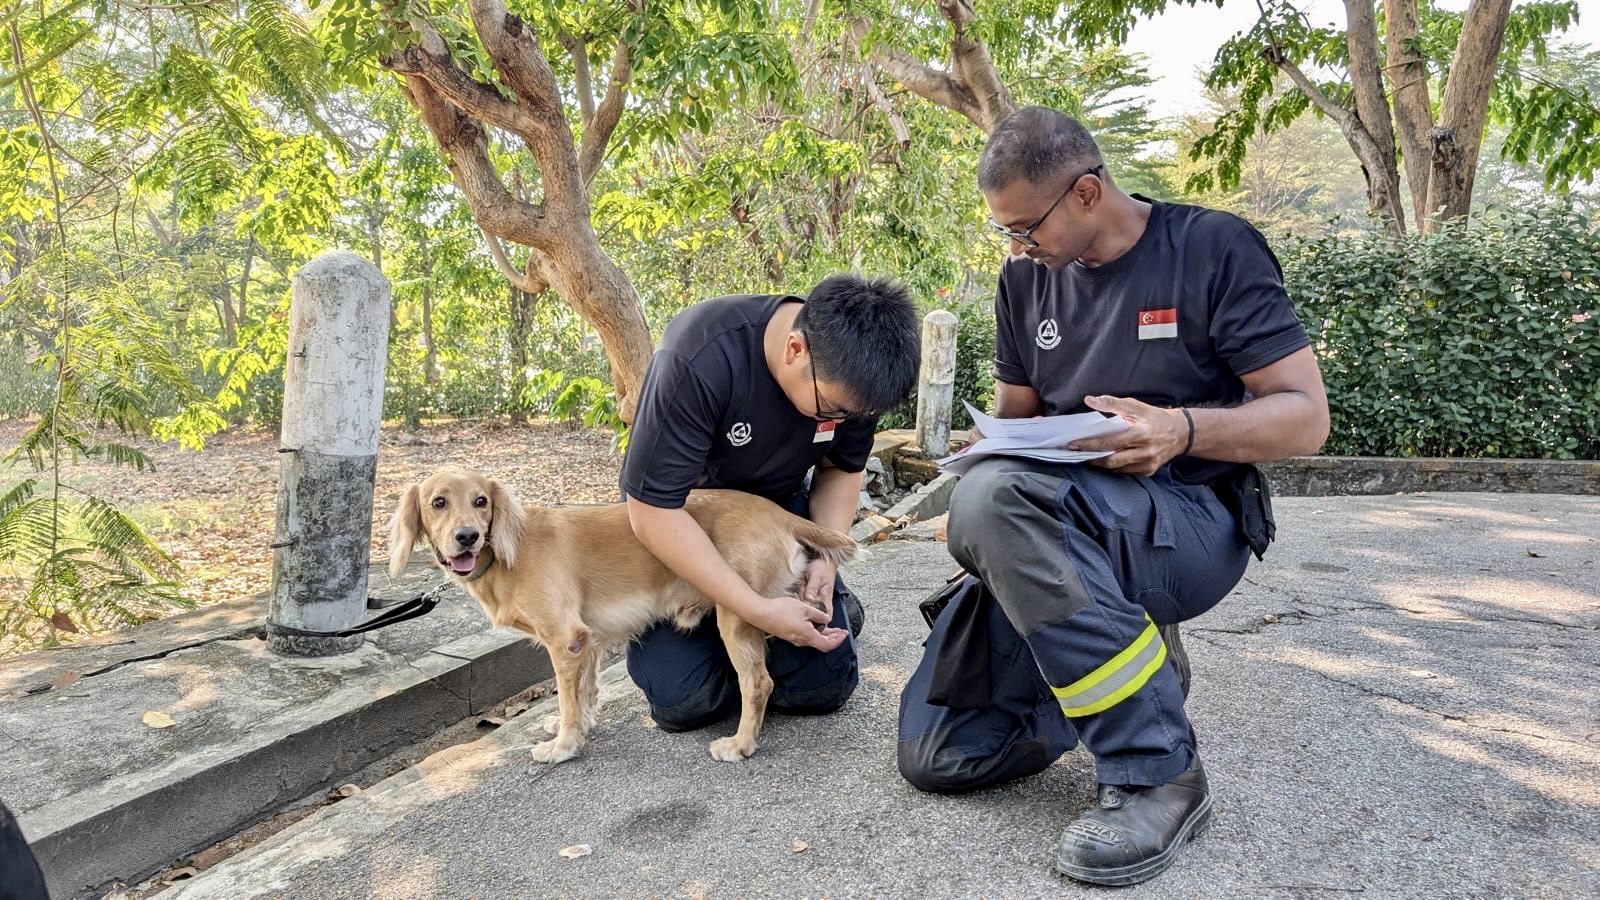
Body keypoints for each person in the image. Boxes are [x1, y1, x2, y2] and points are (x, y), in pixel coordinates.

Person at [897, 107, 1330, 885]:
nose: (1019, 247)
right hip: (1067, 518)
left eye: (1026, 226)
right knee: (942, 756)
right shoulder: (1026, 282)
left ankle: (1158, 769)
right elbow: (1016, 422)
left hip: (1194, 519)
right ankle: (1136, 659)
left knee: (995, 506)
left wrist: (1181, 430)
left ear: (1088, 193)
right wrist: (983, 450)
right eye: (1007, 233)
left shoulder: (1210, 250)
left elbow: (1306, 416)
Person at [622, 275, 920, 733]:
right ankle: (731, 632)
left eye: (851, 415)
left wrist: (827, 557)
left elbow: (841, 468)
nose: (839, 420)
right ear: (795, 350)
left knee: (821, 689)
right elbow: (651, 512)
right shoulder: (698, 356)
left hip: (773, 526)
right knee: (685, 702)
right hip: (685, 527)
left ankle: (821, 608)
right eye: (833, 410)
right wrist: (755, 610)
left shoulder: (852, 386)